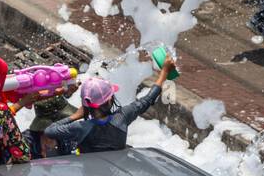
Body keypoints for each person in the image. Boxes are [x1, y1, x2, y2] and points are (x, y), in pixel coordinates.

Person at [44, 55, 178, 154]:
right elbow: (148, 99)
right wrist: (164, 72)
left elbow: (49, 131)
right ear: (109, 100)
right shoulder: (122, 117)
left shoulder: (81, 127)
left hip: (89, 172)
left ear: (86, 105)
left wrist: (75, 116)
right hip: (115, 168)